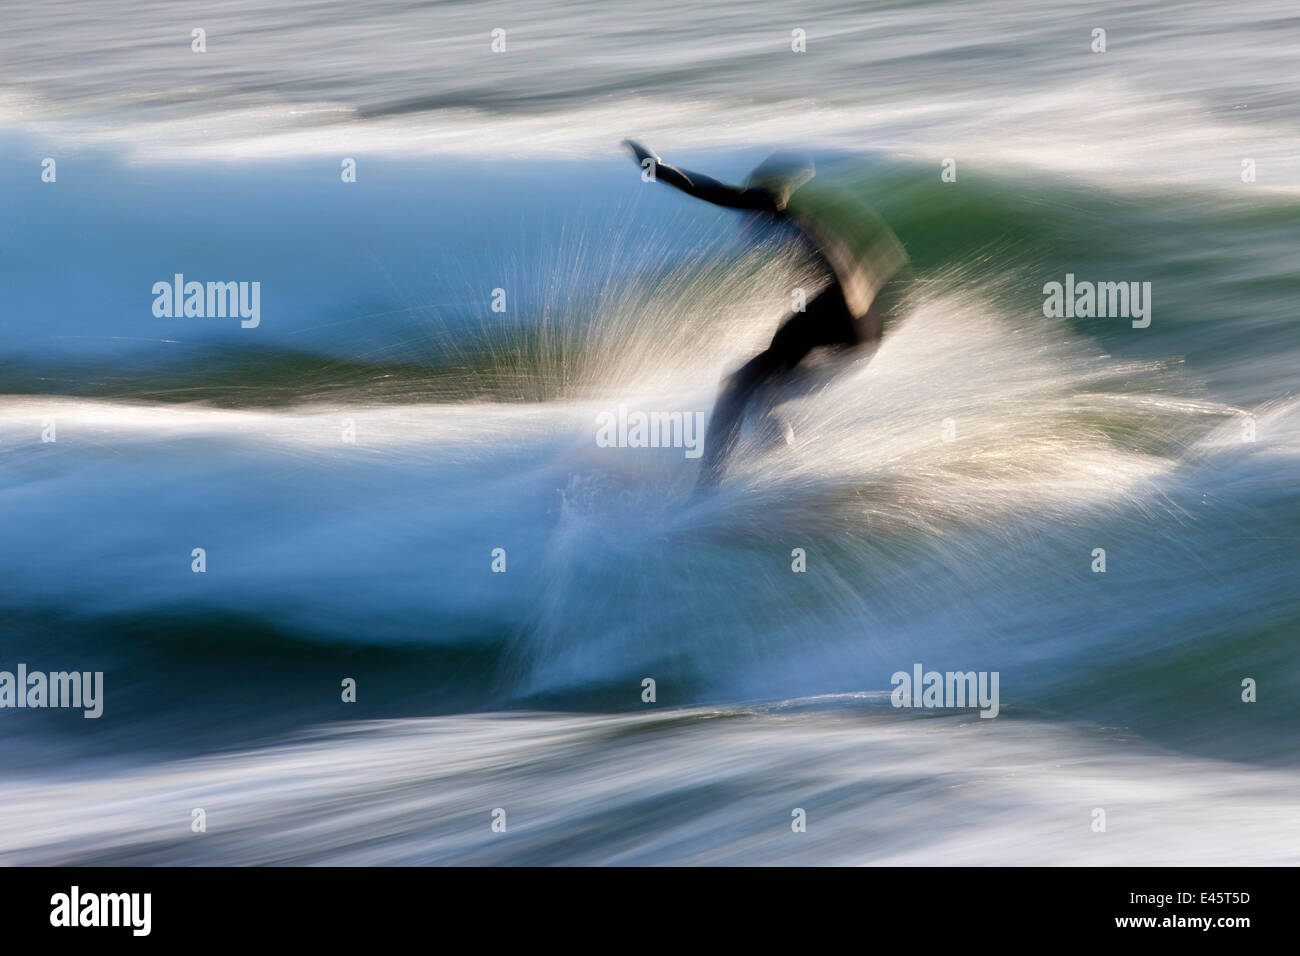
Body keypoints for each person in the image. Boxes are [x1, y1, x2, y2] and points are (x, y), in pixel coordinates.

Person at [622, 139, 908, 489]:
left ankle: (705, 491)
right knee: (763, 391)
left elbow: (705, 189)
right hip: (858, 330)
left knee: (738, 385)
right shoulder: (803, 223)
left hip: (829, 312)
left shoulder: (765, 203)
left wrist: (654, 166)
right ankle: (779, 472)